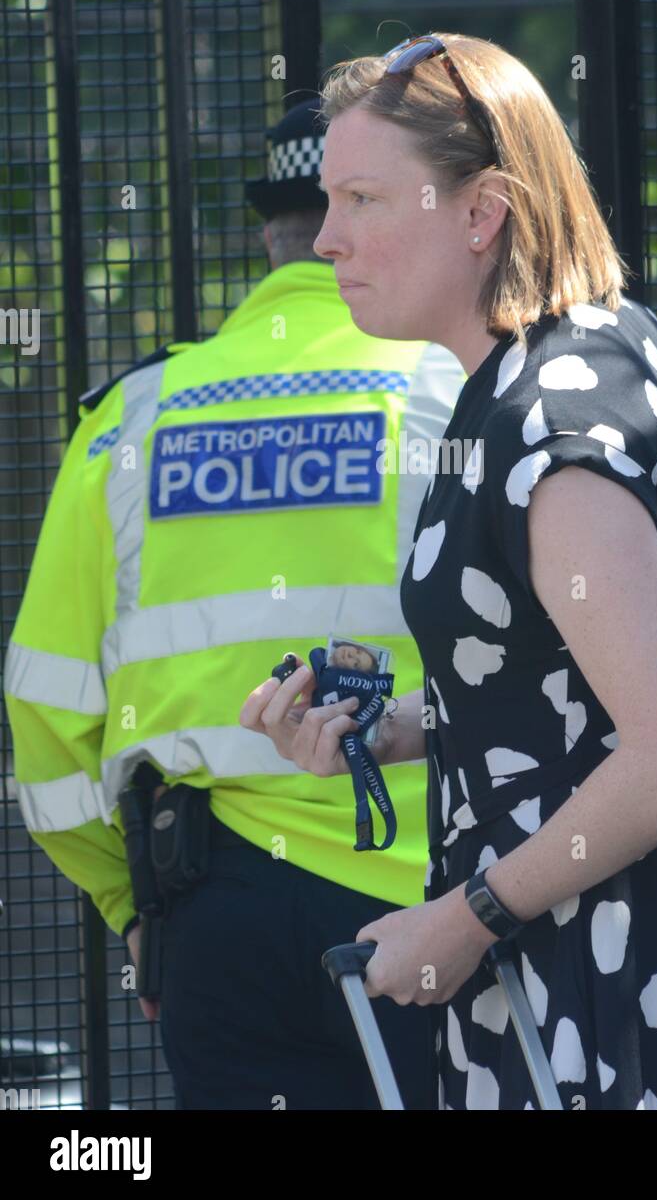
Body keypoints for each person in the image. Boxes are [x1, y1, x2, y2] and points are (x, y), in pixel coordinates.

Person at [240, 33, 657, 1110]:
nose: (327, 239)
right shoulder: (574, 354)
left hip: (642, 964)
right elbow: (581, 682)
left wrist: (462, 919)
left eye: (363, 200)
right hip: (637, 944)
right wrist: (397, 733)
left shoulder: (551, 421)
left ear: (481, 213)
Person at [4, 96, 465, 1110]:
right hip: (442, 908)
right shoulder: (457, 388)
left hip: (219, 919)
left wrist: (135, 910)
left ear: (268, 231)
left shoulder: (134, 416)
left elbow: (44, 714)